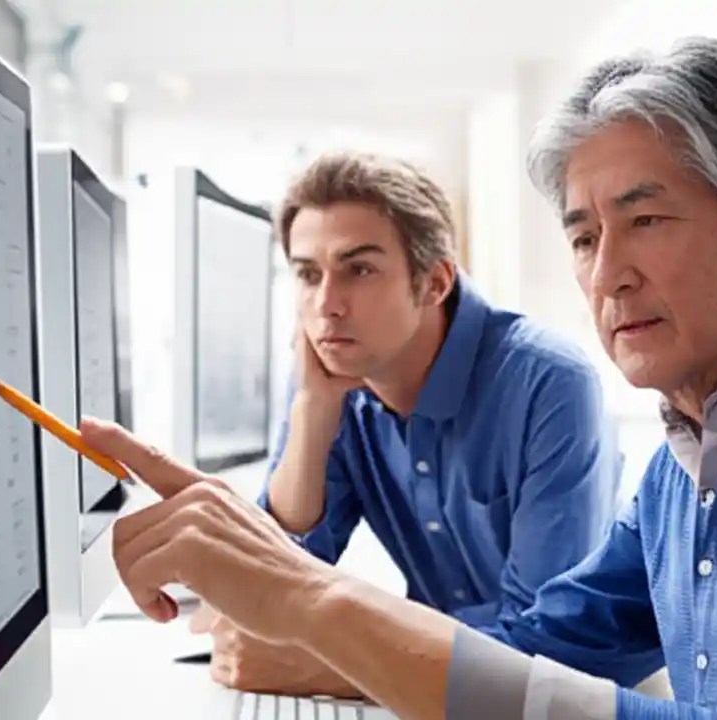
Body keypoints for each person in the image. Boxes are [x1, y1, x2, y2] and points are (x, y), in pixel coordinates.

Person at [89, 36, 717, 719]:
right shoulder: (685, 464)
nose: (604, 275)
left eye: (643, 220)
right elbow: (539, 639)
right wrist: (310, 625)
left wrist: (316, 611)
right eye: (581, 235)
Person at [188, 151, 621, 697]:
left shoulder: (550, 384)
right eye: (307, 274)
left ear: (435, 281)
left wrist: (331, 668)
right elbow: (274, 590)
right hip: (438, 692)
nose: (327, 305)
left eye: (359, 270)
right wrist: (312, 413)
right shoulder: (333, 380)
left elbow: (549, 647)